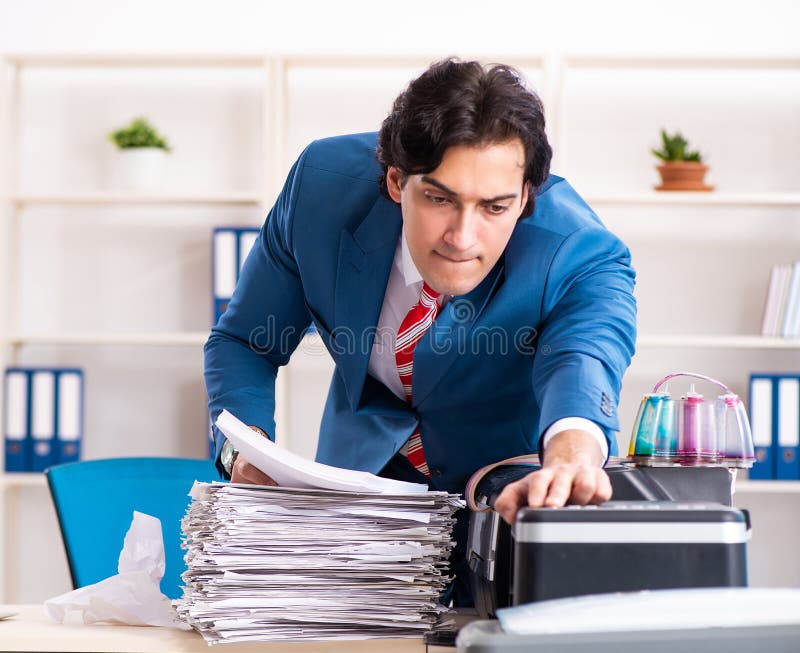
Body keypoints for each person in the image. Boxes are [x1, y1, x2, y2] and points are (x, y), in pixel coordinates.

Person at [204, 58, 636, 603]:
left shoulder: (577, 248)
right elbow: (245, 341)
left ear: (525, 196)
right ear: (394, 181)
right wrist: (246, 450)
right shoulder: (321, 191)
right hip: (359, 501)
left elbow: (585, 354)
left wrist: (573, 454)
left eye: (495, 207)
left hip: (507, 507)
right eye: (438, 198)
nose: (462, 236)